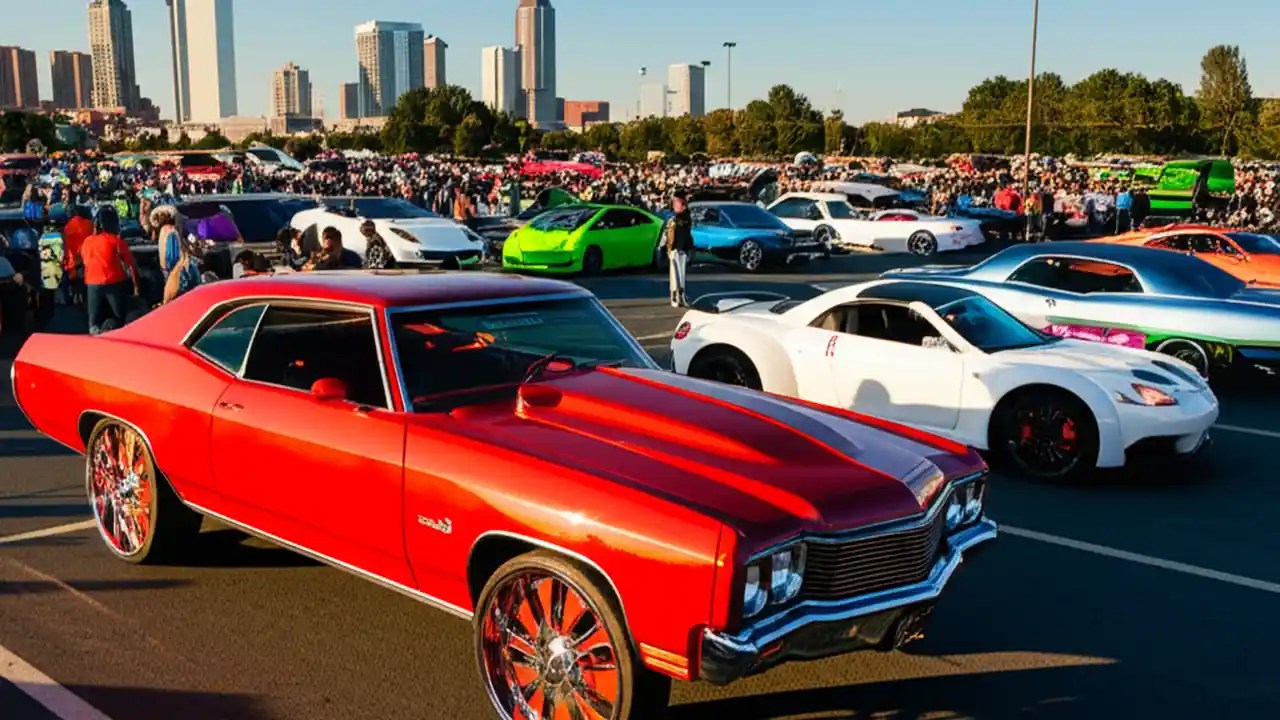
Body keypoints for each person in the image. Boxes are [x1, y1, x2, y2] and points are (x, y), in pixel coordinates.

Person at [80, 205, 139, 334]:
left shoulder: (87, 241)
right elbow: (131, 265)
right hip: (113, 282)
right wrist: (136, 287)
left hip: (92, 283)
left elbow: (85, 261)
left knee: (93, 322)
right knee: (119, 318)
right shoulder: (116, 241)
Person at [154, 206, 201, 304]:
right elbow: (173, 257)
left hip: (166, 271)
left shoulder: (162, 231)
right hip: (175, 272)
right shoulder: (171, 230)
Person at [666, 191, 694, 308]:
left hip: (683, 250)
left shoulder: (684, 218)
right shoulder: (674, 219)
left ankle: (681, 295)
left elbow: (687, 234)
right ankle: (675, 296)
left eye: (676, 202)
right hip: (675, 250)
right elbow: (668, 236)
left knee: (681, 275)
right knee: (675, 275)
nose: (674, 205)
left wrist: (690, 249)